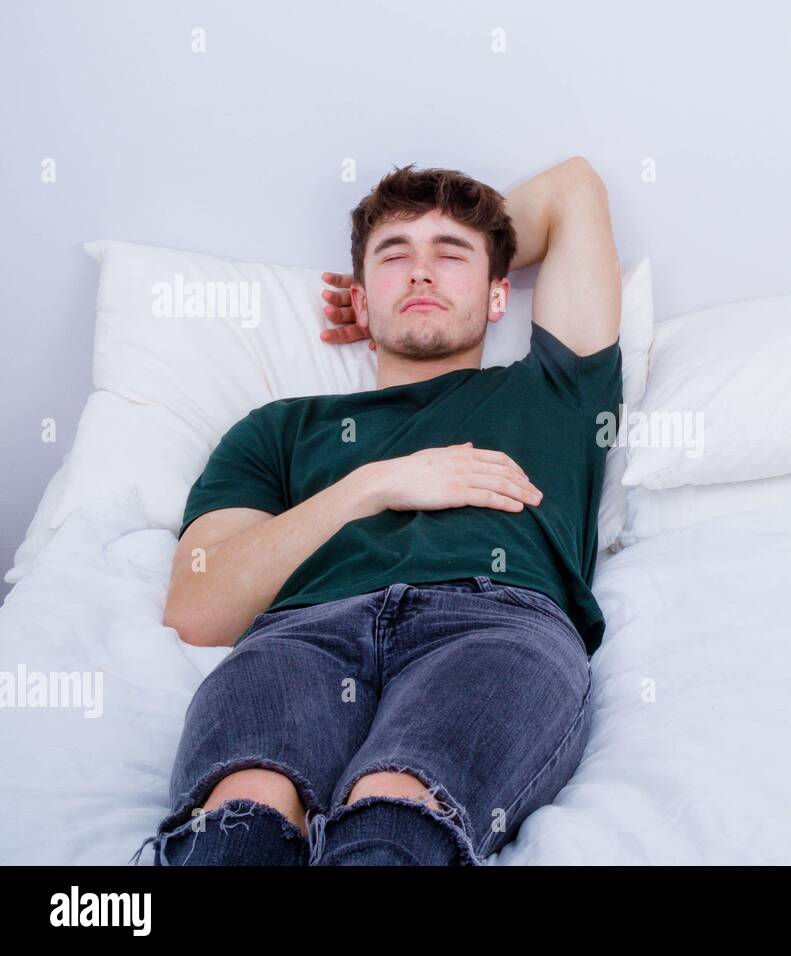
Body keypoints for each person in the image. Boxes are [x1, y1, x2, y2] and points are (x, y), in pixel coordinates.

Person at [129, 156, 622, 865]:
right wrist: (377, 484)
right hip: (304, 635)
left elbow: (575, 186)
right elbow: (199, 607)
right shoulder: (279, 428)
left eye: (450, 257)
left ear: (496, 297)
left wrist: (469, 242)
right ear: (359, 303)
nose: (421, 273)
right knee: (247, 807)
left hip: (493, 624)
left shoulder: (554, 393)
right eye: (394, 258)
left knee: (397, 808)